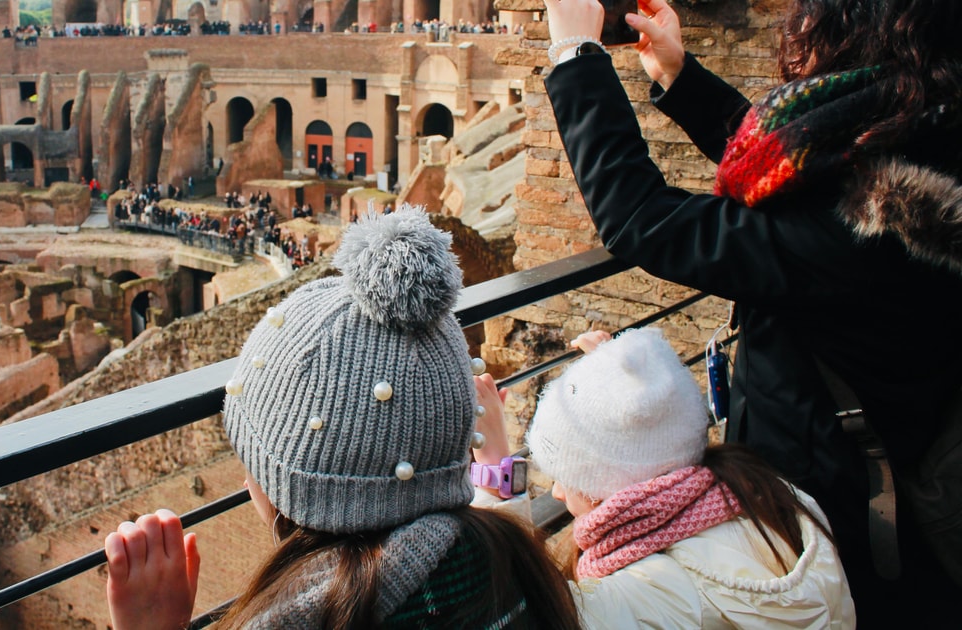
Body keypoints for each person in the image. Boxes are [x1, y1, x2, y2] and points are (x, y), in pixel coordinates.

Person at [541, 0, 962, 622]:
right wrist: (682, 79)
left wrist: (575, 56)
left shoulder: (868, 237)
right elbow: (803, 167)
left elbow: (643, 219)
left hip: (842, 514)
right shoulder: (927, 145)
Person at [104, 208, 579, 629]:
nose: (248, 477)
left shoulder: (296, 618)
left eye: (254, 459)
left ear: (285, 489)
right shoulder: (516, 567)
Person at [479, 328, 855, 627]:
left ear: (613, 491)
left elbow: (524, 611)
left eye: (565, 477)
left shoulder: (646, 598)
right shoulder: (778, 501)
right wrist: (621, 394)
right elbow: (649, 451)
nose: (557, 494)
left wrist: (496, 477)